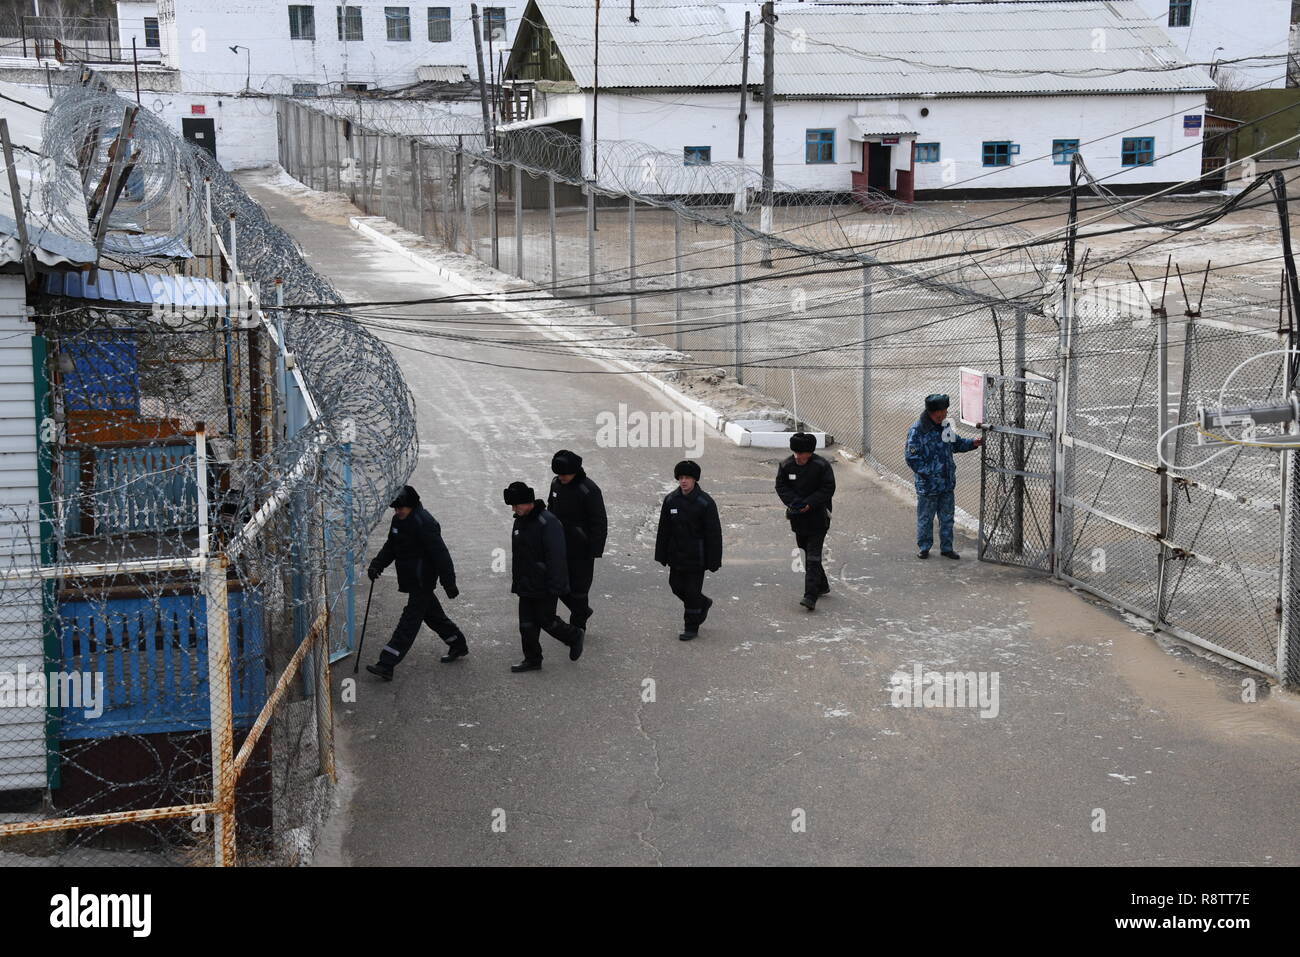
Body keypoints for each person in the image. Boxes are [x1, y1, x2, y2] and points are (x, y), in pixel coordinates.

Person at [365, 485, 466, 680]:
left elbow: (441, 554)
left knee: (409, 621)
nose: (397, 512)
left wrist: (449, 583)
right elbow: (391, 546)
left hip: (423, 580)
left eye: (400, 508)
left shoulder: (424, 523)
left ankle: (387, 663)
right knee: (432, 615)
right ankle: (457, 643)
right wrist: (377, 565)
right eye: (395, 509)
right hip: (411, 578)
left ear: (411, 505)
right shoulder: (398, 520)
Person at [504, 481, 585, 672]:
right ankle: (532, 659)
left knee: (546, 621)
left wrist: (556, 585)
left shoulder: (548, 522)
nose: (514, 509)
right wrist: (517, 582)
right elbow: (519, 556)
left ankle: (574, 635)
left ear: (529, 502)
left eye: (517, 505)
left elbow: (557, 556)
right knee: (526, 625)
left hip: (545, 584)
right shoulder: (519, 521)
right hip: (526, 584)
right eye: (513, 506)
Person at [904, 394, 983, 560]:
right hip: (928, 486)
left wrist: (973, 443)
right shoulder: (917, 431)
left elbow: (956, 443)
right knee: (926, 519)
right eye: (944, 411)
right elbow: (912, 458)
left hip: (946, 484)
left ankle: (947, 548)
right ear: (936, 412)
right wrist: (931, 474)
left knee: (947, 519)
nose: (946, 414)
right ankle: (924, 548)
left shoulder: (945, 427)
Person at [654, 460, 723, 641]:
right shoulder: (671, 500)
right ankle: (703, 603)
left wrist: (714, 560)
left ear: (695, 480)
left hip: (696, 558)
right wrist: (661, 554)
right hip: (676, 555)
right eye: (681, 478)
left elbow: (714, 534)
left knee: (692, 592)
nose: (684, 481)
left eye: (688, 478)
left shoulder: (705, 503)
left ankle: (691, 626)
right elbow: (664, 530)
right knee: (676, 586)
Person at [547, 450, 608, 632]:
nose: (561, 477)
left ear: (575, 471)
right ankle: (581, 610)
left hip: (582, 549)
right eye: (558, 474)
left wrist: (595, 549)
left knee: (579, 590)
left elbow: (599, 521)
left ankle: (578, 628)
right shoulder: (556, 484)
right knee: (558, 585)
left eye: (564, 474)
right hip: (559, 545)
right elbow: (551, 508)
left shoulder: (589, 490)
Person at [775, 432, 836, 611]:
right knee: (805, 549)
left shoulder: (821, 466)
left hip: (818, 517)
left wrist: (810, 503)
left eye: (801, 453)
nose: (798, 457)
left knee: (813, 555)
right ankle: (822, 584)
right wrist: (794, 503)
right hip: (797, 517)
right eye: (795, 453)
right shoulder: (786, 465)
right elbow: (781, 486)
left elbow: (828, 488)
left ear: (810, 452)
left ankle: (810, 595)